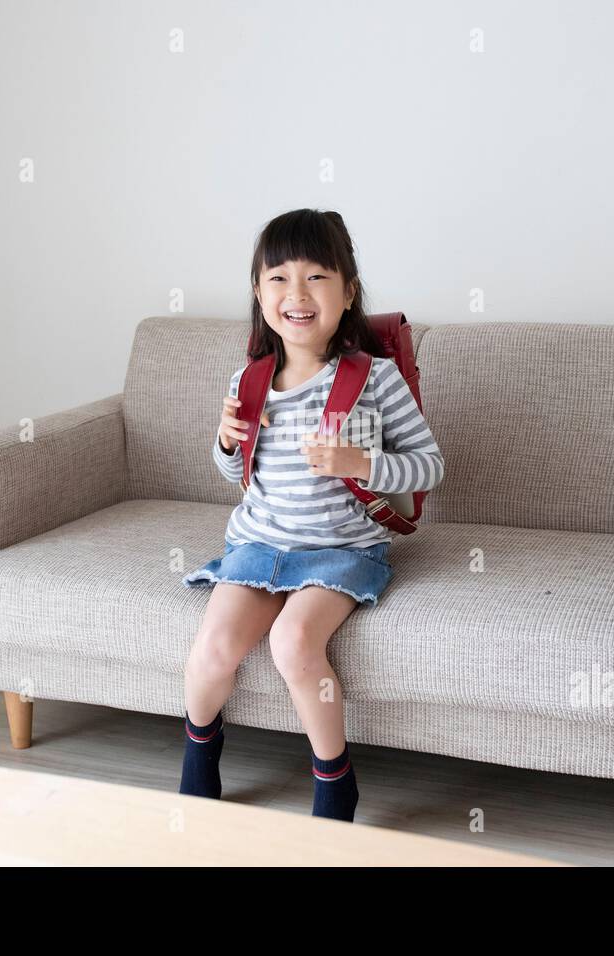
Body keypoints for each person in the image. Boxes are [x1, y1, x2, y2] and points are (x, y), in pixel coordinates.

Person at [177, 208, 444, 822]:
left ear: (347, 292)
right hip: (258, 544)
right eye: (278, 278)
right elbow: (238, 476)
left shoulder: (372, 379)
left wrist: (364, 460)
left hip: (339, 550)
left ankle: (334, 778)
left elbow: (429, 467)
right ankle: (198, 750)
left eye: (317, 277)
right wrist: (225, 444)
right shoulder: (250, 379)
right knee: (214, 646)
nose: (296, 293)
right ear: (257, 291)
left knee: (294, 641)